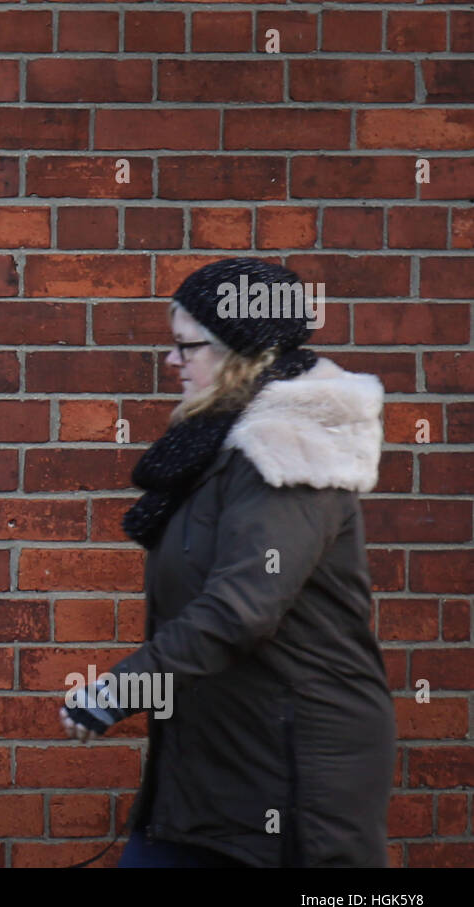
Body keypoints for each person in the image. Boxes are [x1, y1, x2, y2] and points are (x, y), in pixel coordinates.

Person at [61, 258, 395, 867]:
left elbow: (243, 609)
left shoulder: (288, 452)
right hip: (215, 762)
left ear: (243, 352)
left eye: (187, 347)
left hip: (295, 772)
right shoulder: (217, 448)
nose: (172, 362)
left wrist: (119, 688)